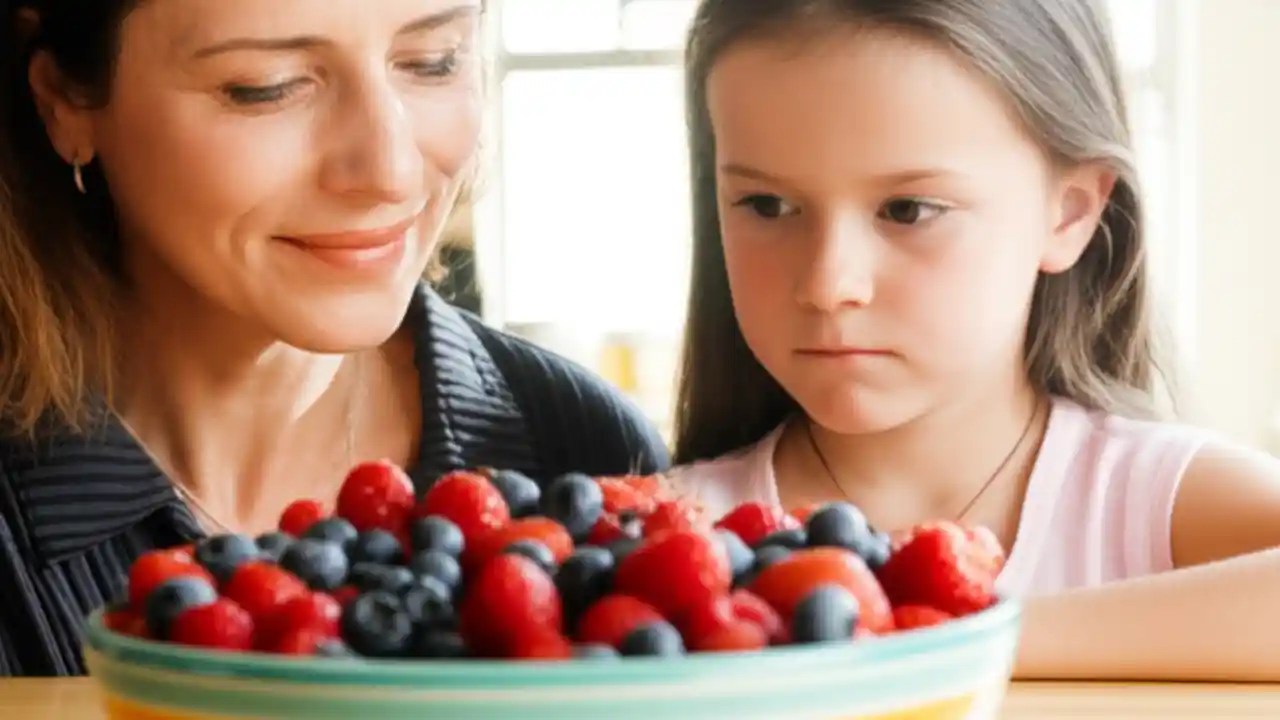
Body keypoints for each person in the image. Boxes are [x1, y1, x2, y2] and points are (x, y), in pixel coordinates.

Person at [0, 0, 668, 676]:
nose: (391, 171)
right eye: (267, 86)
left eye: (433, 61)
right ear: (65, 99)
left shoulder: (589, 454)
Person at [668, 0, 1280, 681]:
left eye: (908, 210)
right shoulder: (668, 538)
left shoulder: (1146, 500)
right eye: (768, 205)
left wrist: (946, 644)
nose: (828, 283)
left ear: (1070, 212)